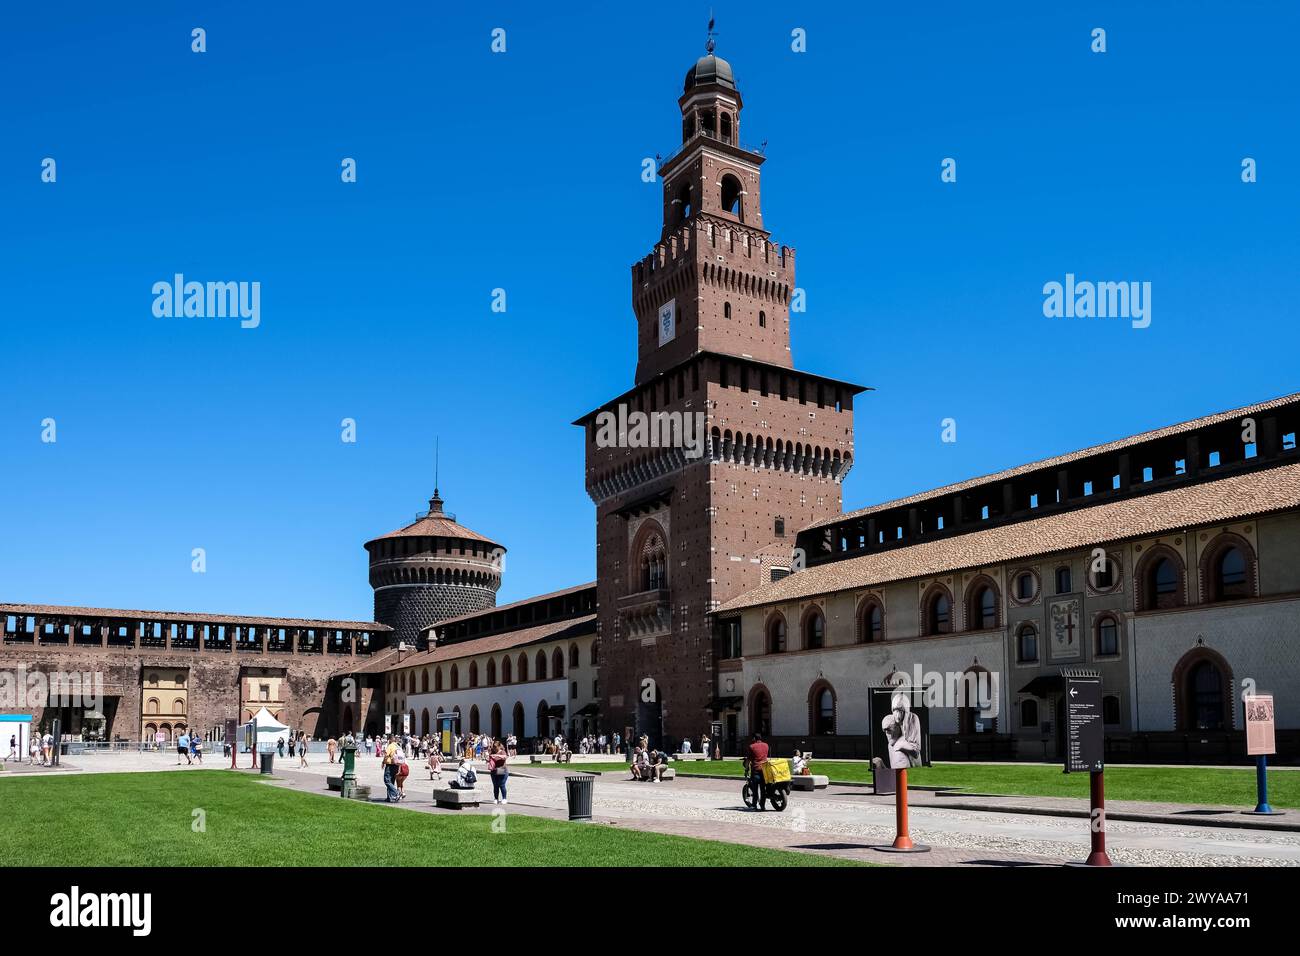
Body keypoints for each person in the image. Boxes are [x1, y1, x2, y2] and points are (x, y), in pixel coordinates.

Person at [882, 692, 923, 769]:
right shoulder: (892, 720)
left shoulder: (913, 718)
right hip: (899, 762)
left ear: (906, 710)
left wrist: (901, 745)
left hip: (913, 764)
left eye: (900, 711)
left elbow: (916, 752)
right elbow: (891, 743)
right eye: (895, 710)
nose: (897, 715)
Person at [743, 733, 769, 810]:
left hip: (756, 769)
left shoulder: (752, 746)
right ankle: (762, 805)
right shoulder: (766, 745)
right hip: (764, 769)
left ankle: (754, 804)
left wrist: (746, 769)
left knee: (755, 789)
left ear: (754, 738)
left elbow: (748, 759)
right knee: (763, 789)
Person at [381, 736, 400, 802]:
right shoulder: (397, 746)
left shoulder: (390, 746)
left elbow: (386, 755)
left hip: (390, 765)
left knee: (387, 780)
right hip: (396, 765)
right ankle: (390, 797)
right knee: (391, 781)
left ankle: (396, 793)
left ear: (390, 740)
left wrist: (383, 762)